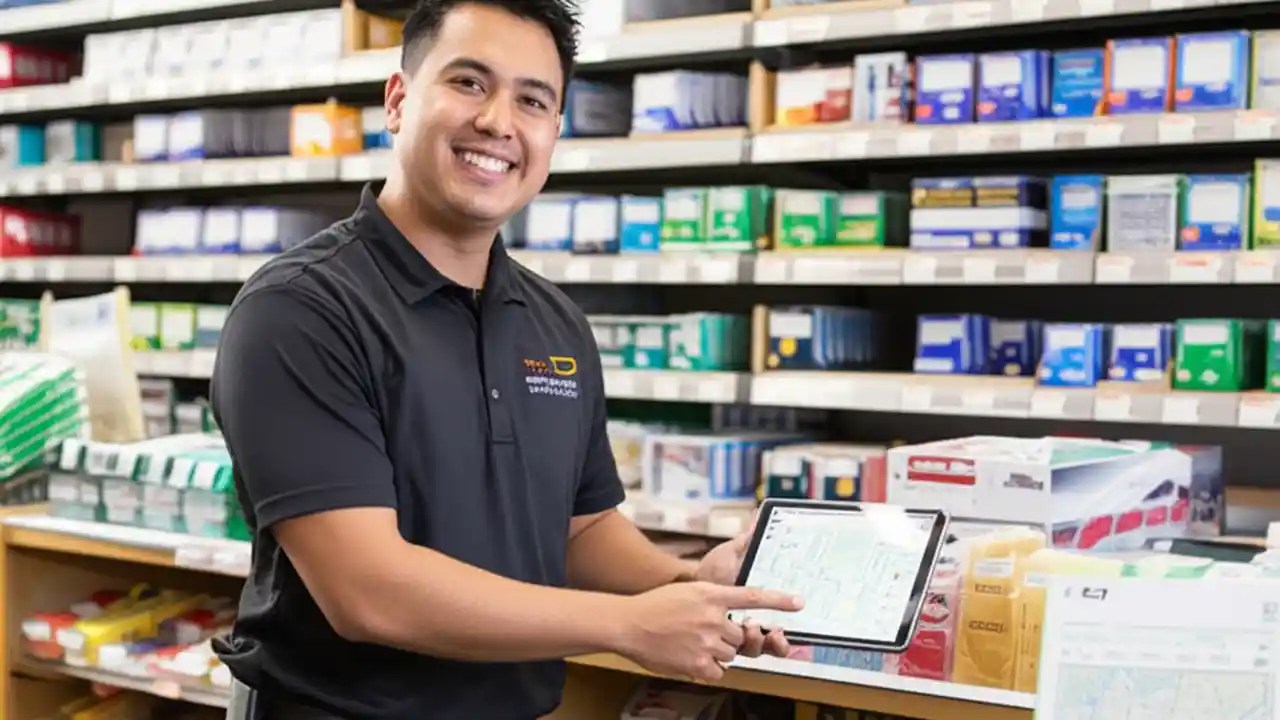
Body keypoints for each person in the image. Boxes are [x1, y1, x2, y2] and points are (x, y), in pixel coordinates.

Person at [209, 1, 804, 718]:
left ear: (555, 130)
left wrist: (683, 582)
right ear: (398, 101)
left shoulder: (555, 324)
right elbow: (367, 593)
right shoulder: (302, 309)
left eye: (532, 100)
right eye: (468, 82)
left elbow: (577, 528)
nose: (498, 121)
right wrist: (626, 624)